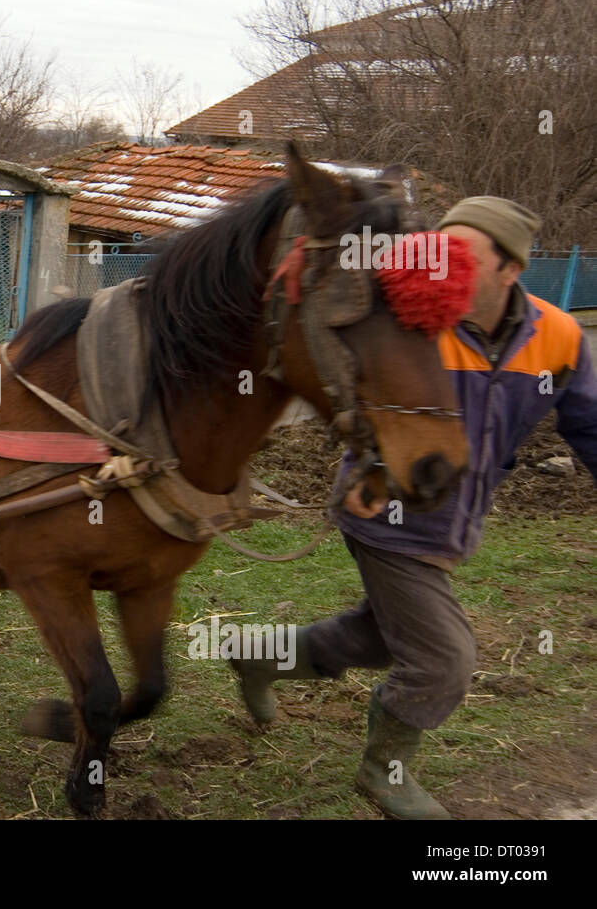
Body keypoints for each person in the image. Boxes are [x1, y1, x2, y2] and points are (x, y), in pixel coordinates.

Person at [230, 197, 597, 819]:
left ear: (510, 270)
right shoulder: (409, 320)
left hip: (458, 521)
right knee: (443, 659)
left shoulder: (558, 336)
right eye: (435, 246)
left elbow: (590, 423)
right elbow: (351, 392)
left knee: (381, 637)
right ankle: (385, 771)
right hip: (384, 514)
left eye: (461, 255)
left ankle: (260, 653)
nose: (436, 264)